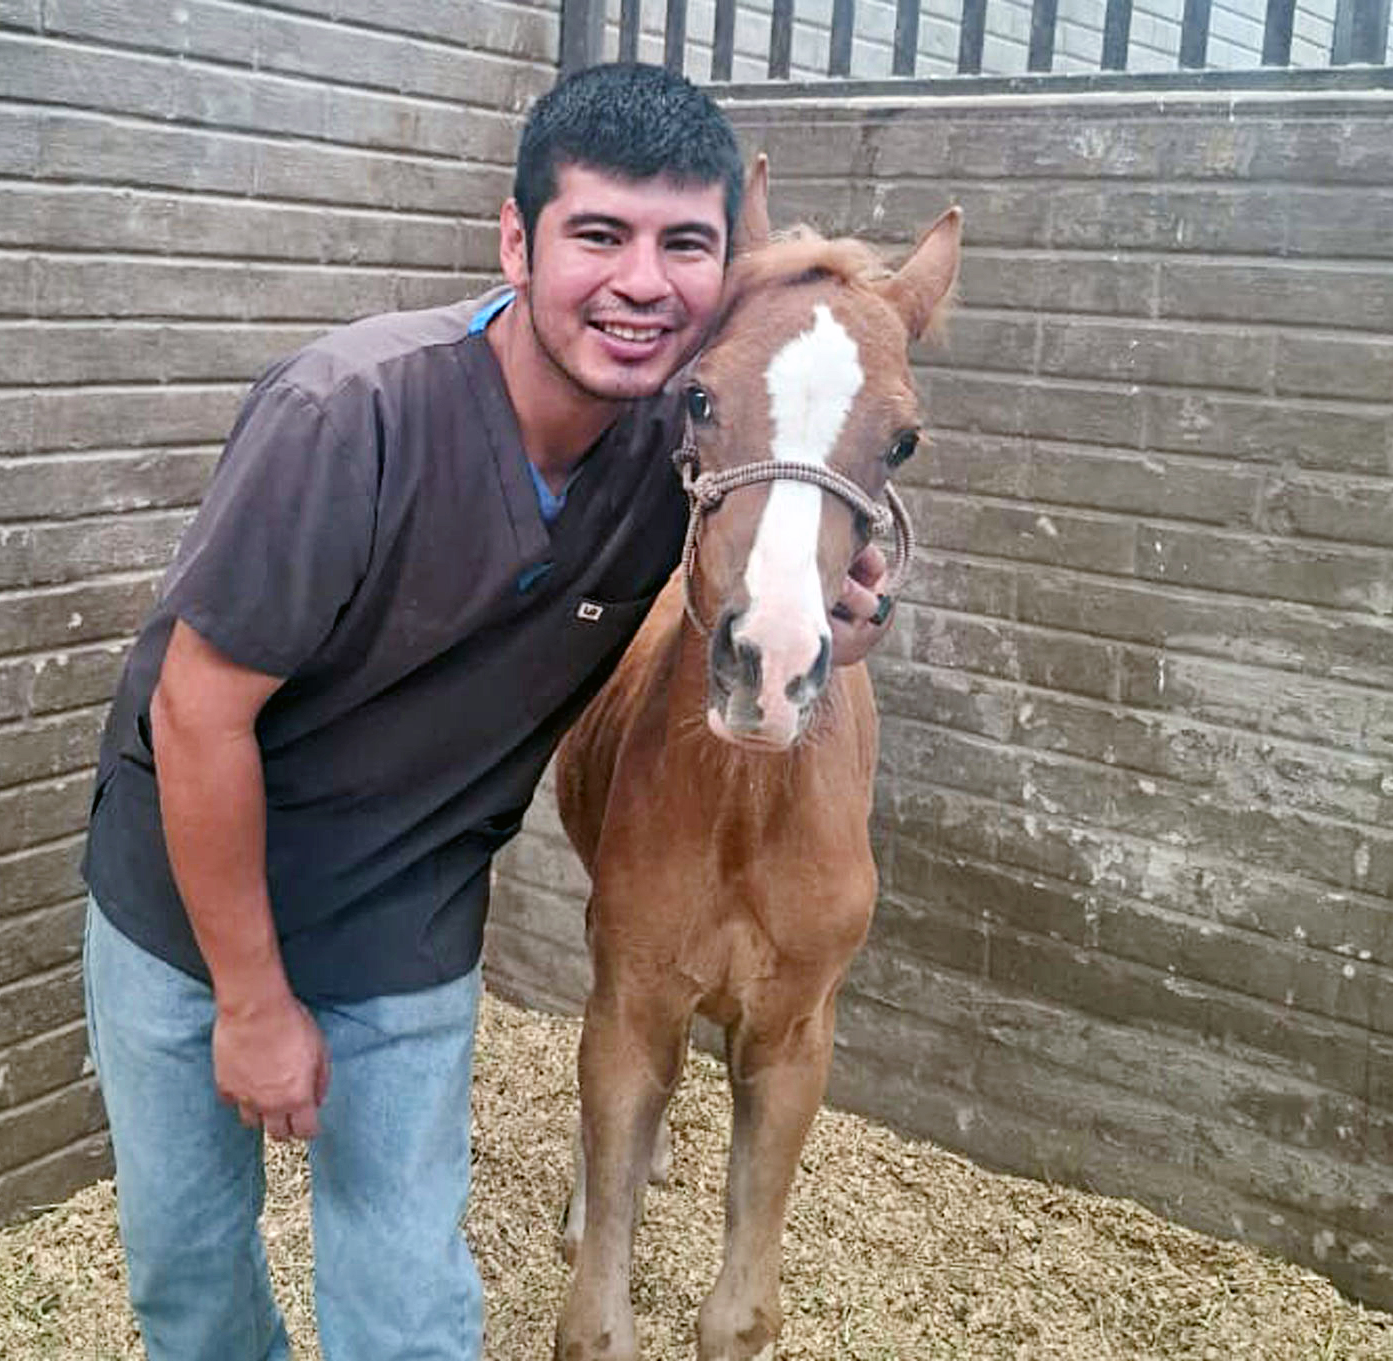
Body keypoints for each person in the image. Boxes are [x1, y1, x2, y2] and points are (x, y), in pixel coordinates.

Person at [78, 62, 898, 1361]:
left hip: (403, 904)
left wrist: (835, 606)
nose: (639, 279)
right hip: (189, 892)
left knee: (405, 1298)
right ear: (515, 239)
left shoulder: (679, 442)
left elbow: (786, 495)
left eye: (682, 242)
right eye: (596, 234)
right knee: (189, 1268)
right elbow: (195, 719)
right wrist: (248, 997)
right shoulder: (346, 415)